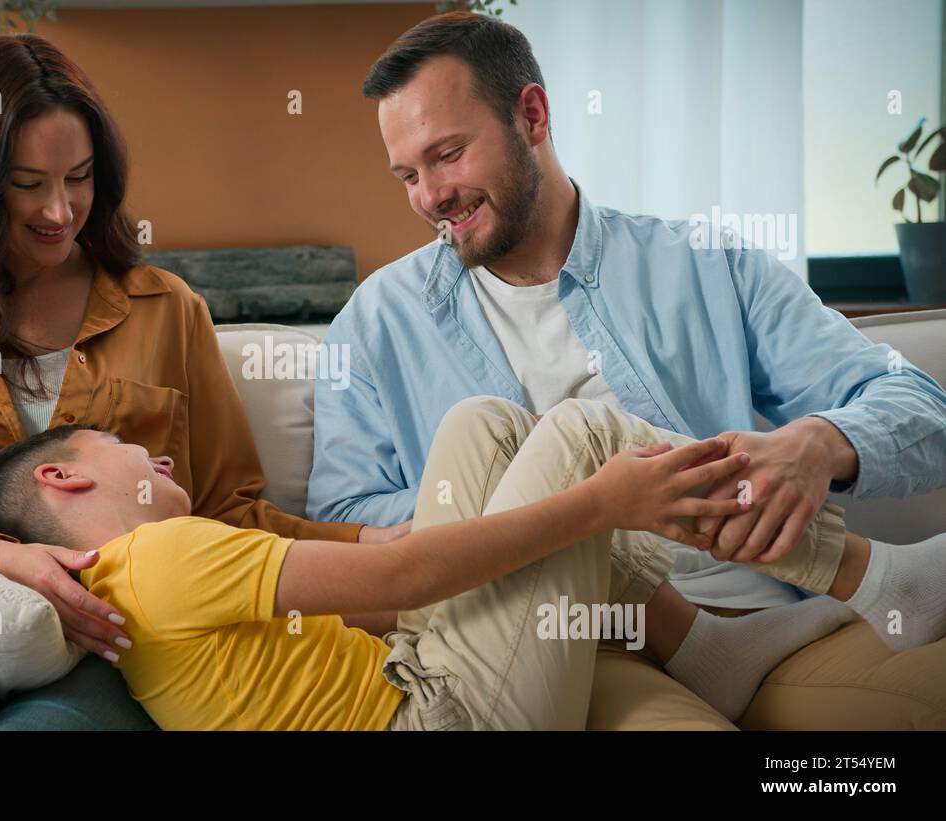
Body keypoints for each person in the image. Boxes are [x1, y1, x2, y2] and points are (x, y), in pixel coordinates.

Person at [307, 12, 946, 729]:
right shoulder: (377, 323)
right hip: (560, 639)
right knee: (571, 443)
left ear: (534, 115)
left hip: (763, 618)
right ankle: (874, 573)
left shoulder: (705, 264)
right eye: (407, 175)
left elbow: (920, 406)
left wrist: (818, 444)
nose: (428, 196)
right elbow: (342, 523)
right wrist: (549, 501)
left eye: (448, 154)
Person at [0, 33, 402, 731]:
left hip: (108, 644)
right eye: (28, 184)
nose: (59, 211)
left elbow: (228, 514)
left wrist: (368, 543)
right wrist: (8, 558)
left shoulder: (167, 309)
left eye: (79, 178)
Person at [0, 398, 946, 730]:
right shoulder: (161, 553)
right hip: (444, 717)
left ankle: (697, 647)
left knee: (477, 421)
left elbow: (375, 611)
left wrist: (552, 537)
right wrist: (599, 506)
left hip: (422, 681)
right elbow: (397, 586)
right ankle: (869, 574)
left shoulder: (138, 580)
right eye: (131, 450)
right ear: (62, 475)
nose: (162, 458)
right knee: (582, 430)